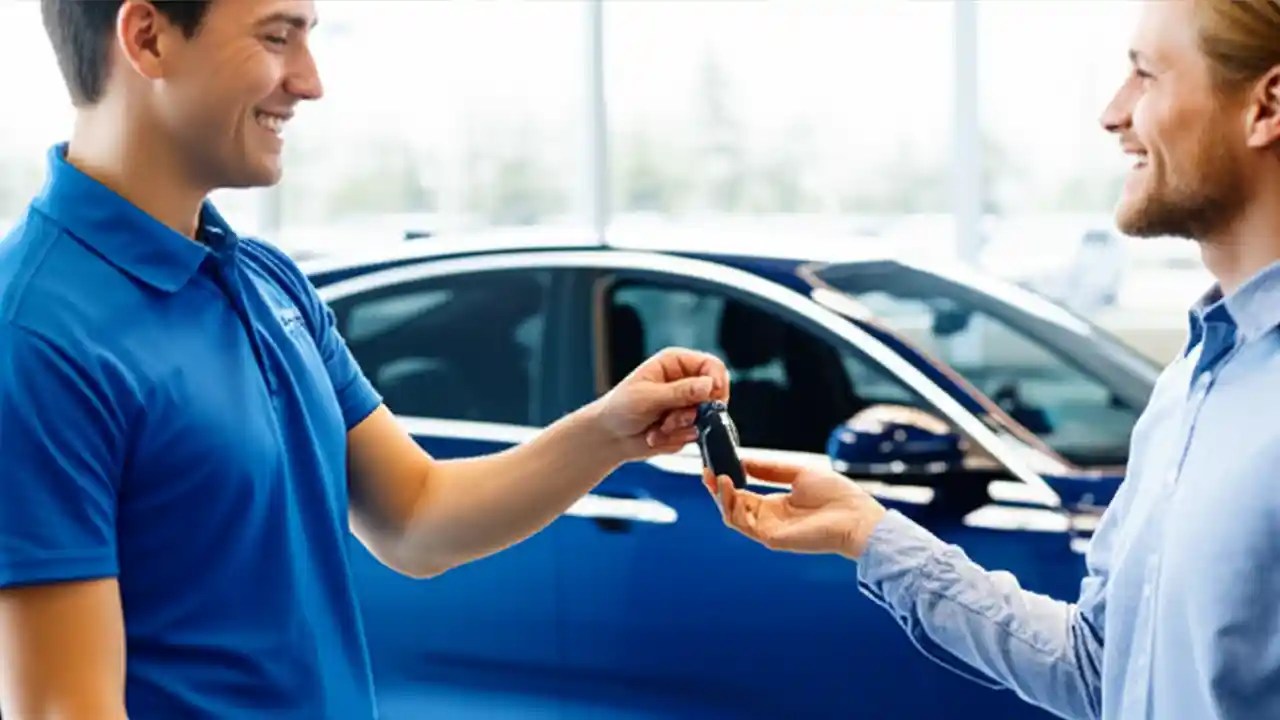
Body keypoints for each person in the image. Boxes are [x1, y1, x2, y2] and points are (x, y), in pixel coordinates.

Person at [0, 1, 729, 718]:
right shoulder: (34, 337)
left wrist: (607, 432)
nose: (310, 81)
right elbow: (69, 708)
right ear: (149, 37)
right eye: (277, 37)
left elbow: (415, 517)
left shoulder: (263, 279)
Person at [706, 1, 1280, 719]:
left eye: (1146, 75)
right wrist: (868, 533)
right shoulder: (1188, 389)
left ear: (1267, 105)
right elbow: (1099, 669)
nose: (1112, 113)